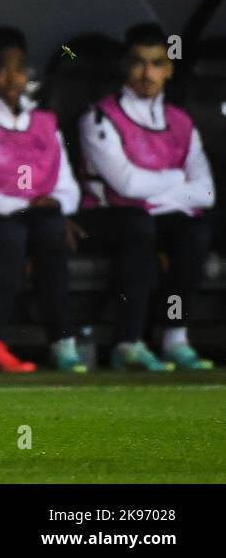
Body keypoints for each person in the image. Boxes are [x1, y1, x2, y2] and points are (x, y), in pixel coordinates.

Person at [77, 24, 216, 372]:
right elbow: (126, 185)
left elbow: (207, 191)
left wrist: (157, 193)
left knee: (194, 232)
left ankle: (175, 337)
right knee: (138, 226)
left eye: (157, 63)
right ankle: (128, 341)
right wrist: (175, 181)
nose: (148, 72)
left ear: (169, 69)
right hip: (105, 217)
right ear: (126, 65)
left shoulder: (181, 122)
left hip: (151, 215)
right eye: (139, 62)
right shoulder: (99, 116)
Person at [0, 27, 86, 374]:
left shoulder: (44, 122)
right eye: (1, 68)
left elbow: (68, 190)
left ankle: (63, 341)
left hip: (34, 219)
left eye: (20, 68)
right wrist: (23, 207)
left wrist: (54, 204)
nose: (13, 78)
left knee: (52, 228)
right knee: (12, 235)